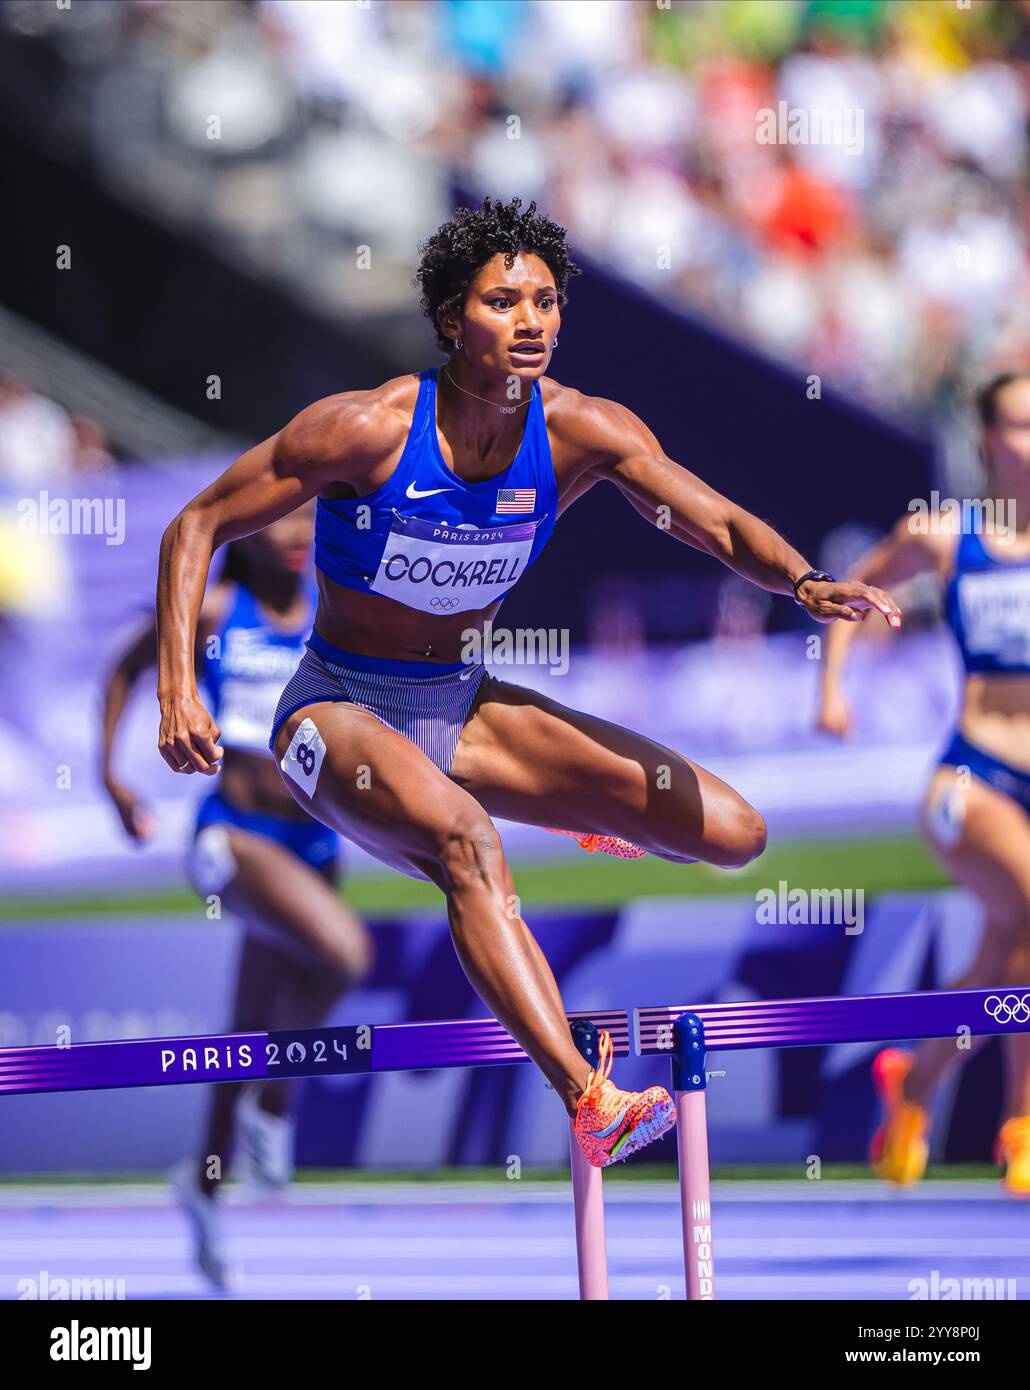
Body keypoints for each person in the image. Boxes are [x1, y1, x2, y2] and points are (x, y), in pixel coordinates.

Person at [155, 196, 899, 1172]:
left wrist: (799, 578)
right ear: (450, 319)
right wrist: (179, 688)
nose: (533, 321)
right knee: (466, 841)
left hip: (459, 708)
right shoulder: (366, 430)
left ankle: (571, 808)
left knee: (733, 833)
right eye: (504, 302)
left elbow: (712, 522)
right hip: (335, 708)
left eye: (546, 301)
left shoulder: (584, 432)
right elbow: (196, 524)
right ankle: (588, 1098)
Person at [102, 507, 370, 1284]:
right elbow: (124, 668)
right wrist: (110, 776)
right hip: (231, 839)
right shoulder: (218, 611)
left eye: (304, 520)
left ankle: (205, 1187)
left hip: (316, 844)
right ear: (244, 532)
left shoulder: (334, 602)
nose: (294, 533)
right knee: (345, 954)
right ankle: (278, 1104)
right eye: (276, 520)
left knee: (246, 1029)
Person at [818, 370, 1030, 1196]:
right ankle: (1021, 1125)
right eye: (1017, 425)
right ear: (986, 440)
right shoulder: (947, 535)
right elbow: (851, 594)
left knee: (1007, 948)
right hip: (969, 775)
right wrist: (833, 687)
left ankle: (910, 1086)